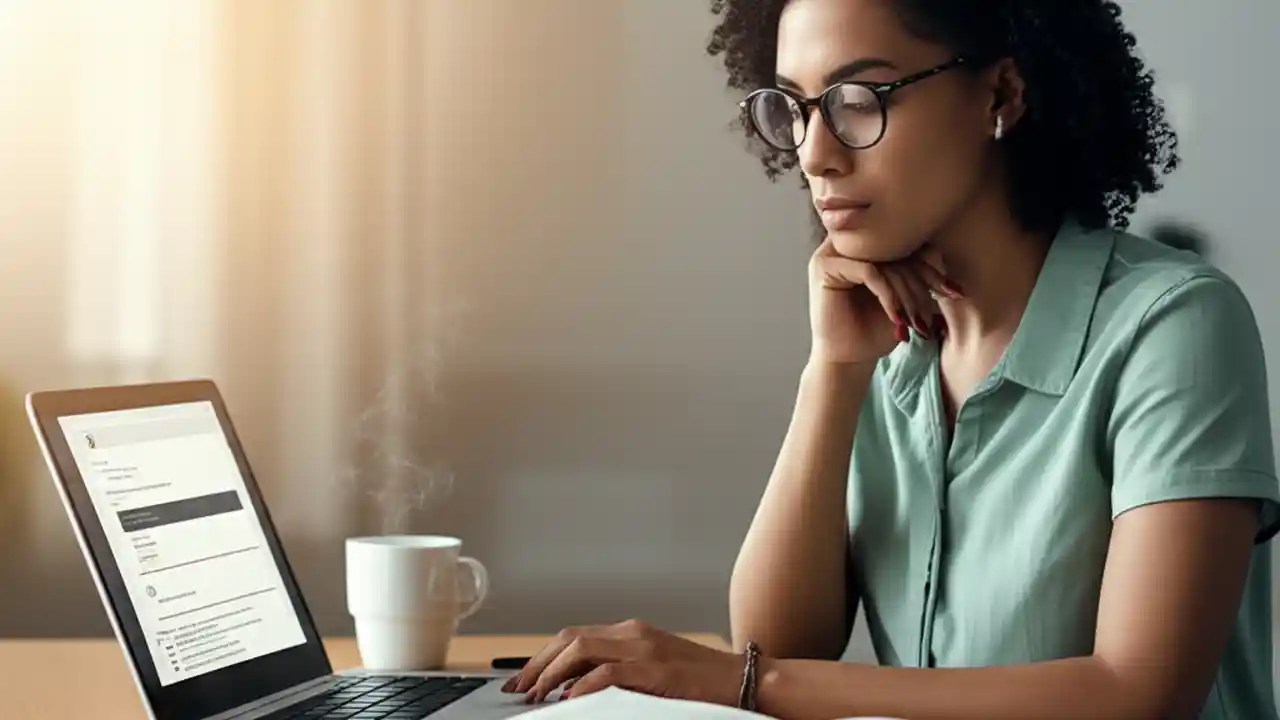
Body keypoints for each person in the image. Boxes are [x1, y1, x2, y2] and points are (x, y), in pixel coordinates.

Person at [500, 1, 1279, 717]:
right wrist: (833, 373)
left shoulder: (1174, 323)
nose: (815, 153)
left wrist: (737, 679)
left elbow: (1140, 691)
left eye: (857, 99)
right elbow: (779, 642)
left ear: (1000, 96)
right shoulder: (885, 344)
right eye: (797, 109)